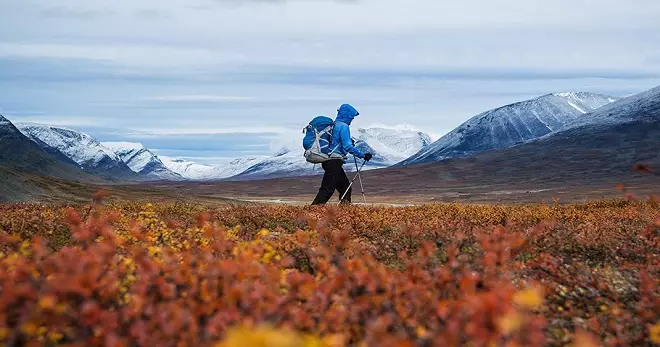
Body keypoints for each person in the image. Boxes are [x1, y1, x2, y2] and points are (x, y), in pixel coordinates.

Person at [311, 104, 373, 205]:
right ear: (347, 115)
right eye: (352, 117)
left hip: (329, 161)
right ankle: (312, 212)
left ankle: (344, 212)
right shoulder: (343, 127)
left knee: (345, 188)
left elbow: (336, 142)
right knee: (327, 190)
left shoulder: (334, 125)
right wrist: (363, 155)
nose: (352, 119)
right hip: (334, 161)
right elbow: (347, 146)